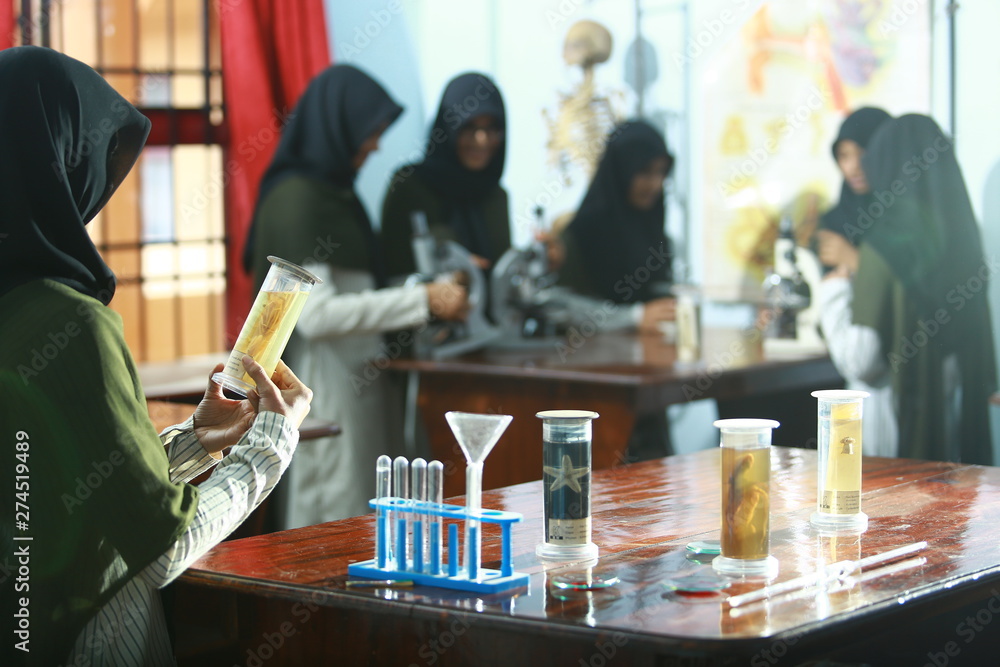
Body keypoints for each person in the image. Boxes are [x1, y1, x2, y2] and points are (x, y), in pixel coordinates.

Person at [0, 46, 313, 667]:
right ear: (57, 164)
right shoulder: (74, 324)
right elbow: (162, 546)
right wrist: (271, 443)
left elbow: (78, 490)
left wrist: (198, 437)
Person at [243, 64, 469, 528]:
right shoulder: (297, 200)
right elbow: (316, 317)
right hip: (323, 387)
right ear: (338, 125)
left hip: (359, 382)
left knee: (367, 526)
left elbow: (356, 294)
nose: (375, 144)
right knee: (330, 526)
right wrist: (421, 300)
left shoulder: (336, 195)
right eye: (371, 132)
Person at [818, 113, 996, 464]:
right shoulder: (960, 243)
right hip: (952, 441)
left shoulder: (884, 245)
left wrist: (834, 291)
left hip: (889, 435)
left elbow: (860, 360)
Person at [814, 107, 898, 456]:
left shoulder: (901, 216)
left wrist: (857, 261)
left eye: (863, 154)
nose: (853, 166)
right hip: (842, 356)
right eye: (844, 155)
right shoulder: (834, 219)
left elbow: (904, 284)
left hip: (886, 373)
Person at [381, 72, 510, 278]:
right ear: (449, 127)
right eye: (469, 127)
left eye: (492, 129)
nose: (482, 140)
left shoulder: (495, 195)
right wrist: (446, 269)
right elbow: (392, 270)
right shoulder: (410, 186)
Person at [555, 119, 677, 333]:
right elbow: (556, 305)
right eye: (645, 172)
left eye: (661, 172)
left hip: (650, 359)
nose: (655, 184)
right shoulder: (582, 233)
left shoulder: (654, 229)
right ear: (621, 169)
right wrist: (632, 317)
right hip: (587, 360)